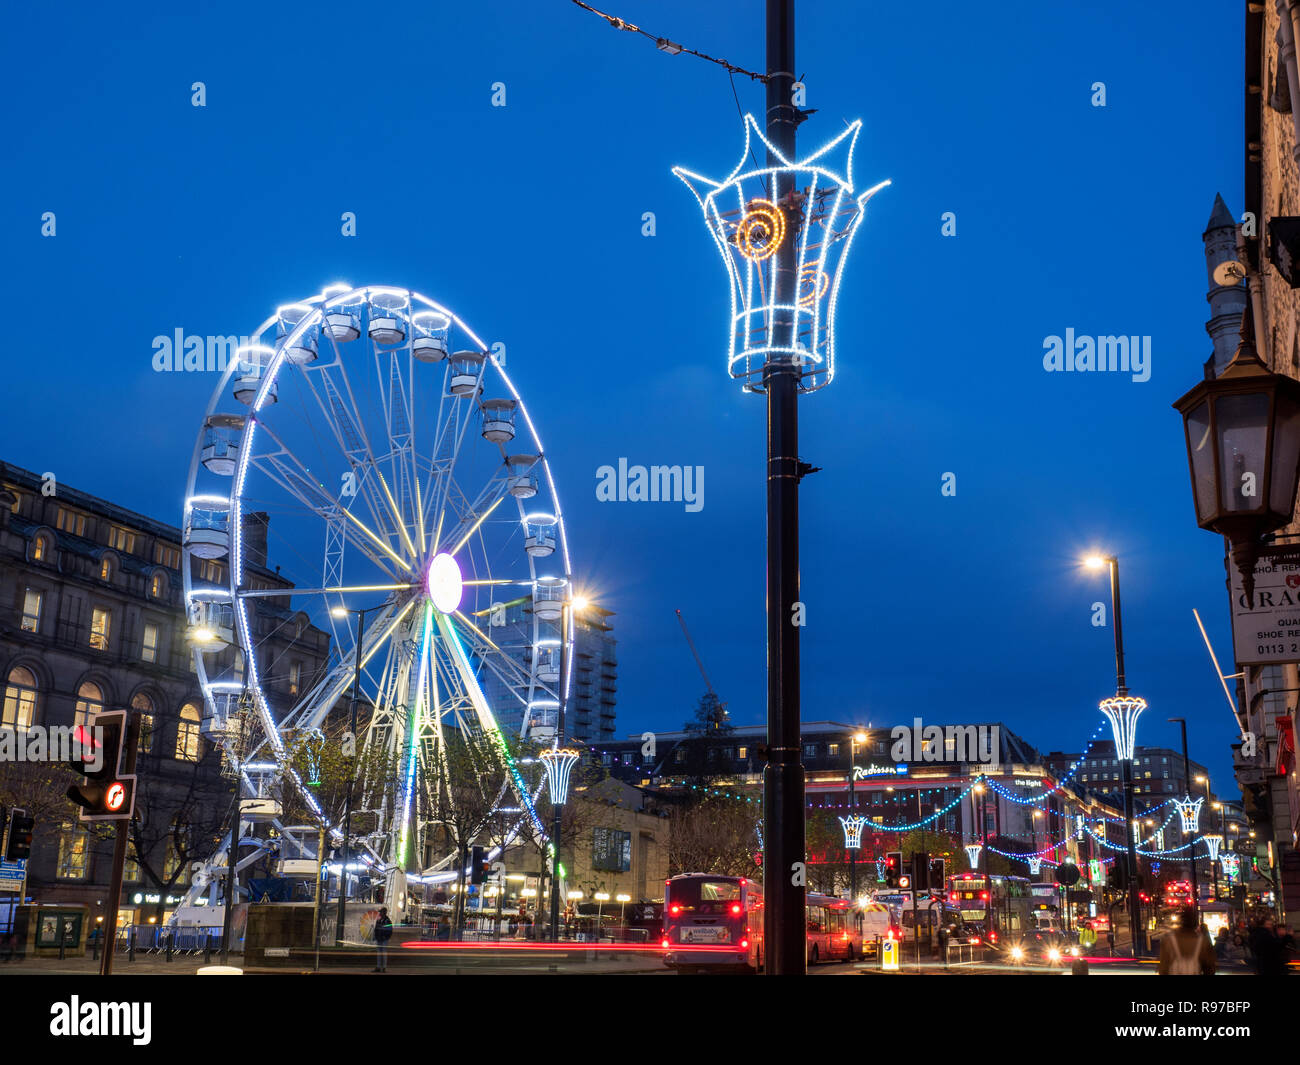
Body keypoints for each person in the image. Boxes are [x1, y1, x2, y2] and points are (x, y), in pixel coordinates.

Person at [1158, 907, 1215, 976]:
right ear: (1195, 924)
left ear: (1181, 922)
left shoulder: (1168, 940)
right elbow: (1210, 968)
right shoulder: (1203, 942)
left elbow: (1163, 968)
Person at [373, 907, 393, 972]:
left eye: (380, 912)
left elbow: (390, 930)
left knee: (383, 953)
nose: (379, 913)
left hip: (383, 939)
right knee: (379, 953)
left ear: (383, 913)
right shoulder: (380, 920)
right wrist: (376, 936)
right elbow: (376, 929)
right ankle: (379, 967)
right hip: (380, 938)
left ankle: (383, 967)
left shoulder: (387, 920)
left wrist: (386, 937)